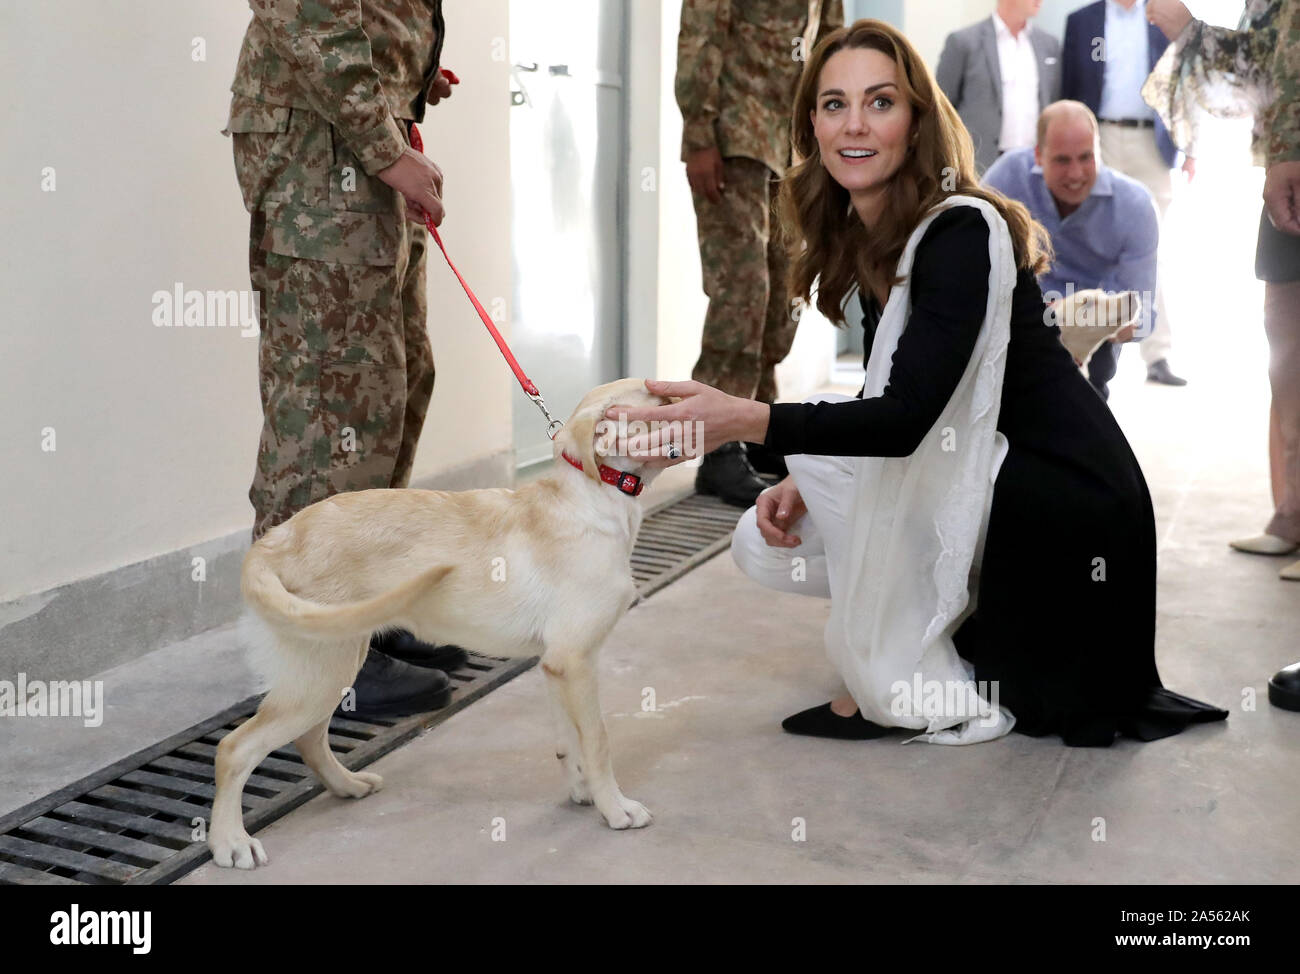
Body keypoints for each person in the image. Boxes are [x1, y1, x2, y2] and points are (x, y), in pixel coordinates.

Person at [608, 19, 1227, 747]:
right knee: (760, 539)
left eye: (880, 101)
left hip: (1066, 510)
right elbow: (895, 398)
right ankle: (931, 631)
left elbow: (905, 423)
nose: (854, 125)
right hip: (1002, 479)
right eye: (834, 105)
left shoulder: (960, 232)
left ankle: (898, 678)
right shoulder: (880, 239)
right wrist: (807, 477)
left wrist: (743, 420)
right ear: (811, 124)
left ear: (917, 120)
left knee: (838, 481)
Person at [225, 0, 463, 718]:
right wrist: (387, 147)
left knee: (393, 385)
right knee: (329, 405)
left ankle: (359, 618)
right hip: (320, 152)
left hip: (357, 141)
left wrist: (409, 75)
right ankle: (306, 645)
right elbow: (306, 12)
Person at [1143, 0, 1300, 710]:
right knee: (1286, 351)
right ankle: (1293, 514)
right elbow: (1266, 59)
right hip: (1288, 176)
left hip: (1292, 164)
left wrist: (1289, 151)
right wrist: (1190, 34)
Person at [676, 0, 844, 507]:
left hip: (792, 144)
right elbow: (702, 31)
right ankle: (718, 446)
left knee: (784, 293)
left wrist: (831, 128)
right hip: (735, 135)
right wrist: (700, 134)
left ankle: (756, 426)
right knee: (743, 291)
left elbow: (830, 41)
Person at [984, 101, 1157, 400]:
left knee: (1084, 393)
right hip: (1020, 318)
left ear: (1099, 150)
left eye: (1086, 157)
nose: (1076, 174)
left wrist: (1112, 323)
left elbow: (1142, 311)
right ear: (1038, 155)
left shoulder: (1135, 206)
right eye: (1063, 160)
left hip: (1092, 330)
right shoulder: (1008, 177)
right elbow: (972, 256)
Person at [1063, 0, 1190, 387]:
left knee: (1152, 251)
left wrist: (1191, 146)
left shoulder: (1164, 17)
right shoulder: (1082, 22)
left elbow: (1183, 83)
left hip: (1153, 145)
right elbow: (1067, 92)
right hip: (1098, 144)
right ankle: (1085, 349)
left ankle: (1158, 355)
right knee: (1089, 246)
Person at [935, 0, 1062, 176]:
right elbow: (942, 108)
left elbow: (1054, 103)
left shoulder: (1050, 45)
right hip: (980, 164)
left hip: (1034, 164)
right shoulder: (963, 42)